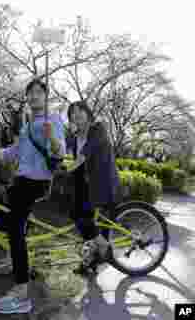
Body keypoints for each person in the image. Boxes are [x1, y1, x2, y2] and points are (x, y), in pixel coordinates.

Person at [0, 79, 65, 315]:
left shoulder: (52, 120)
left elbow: (60, 151)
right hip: (21, 181)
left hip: (37, 182)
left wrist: (52, 137)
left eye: (38, 93)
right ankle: (16, 259)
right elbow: (10, 154)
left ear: (45, 96)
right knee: (5, 217)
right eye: (30, 94)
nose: (33, 97)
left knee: (14, 228)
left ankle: (22, 293)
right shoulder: (26, 125)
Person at [63, 100, 117, 274]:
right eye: (72, 113)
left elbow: (86, 152)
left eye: (79, 111)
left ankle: (95, 256)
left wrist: (71, 166)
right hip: (83, 182)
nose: (76, 115)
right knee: (77, 216)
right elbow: (66, 155)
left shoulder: (98, 128)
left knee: (87, 220)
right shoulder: (74, 136)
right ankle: (96, 253)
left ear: (87, 112)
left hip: (101, 181)